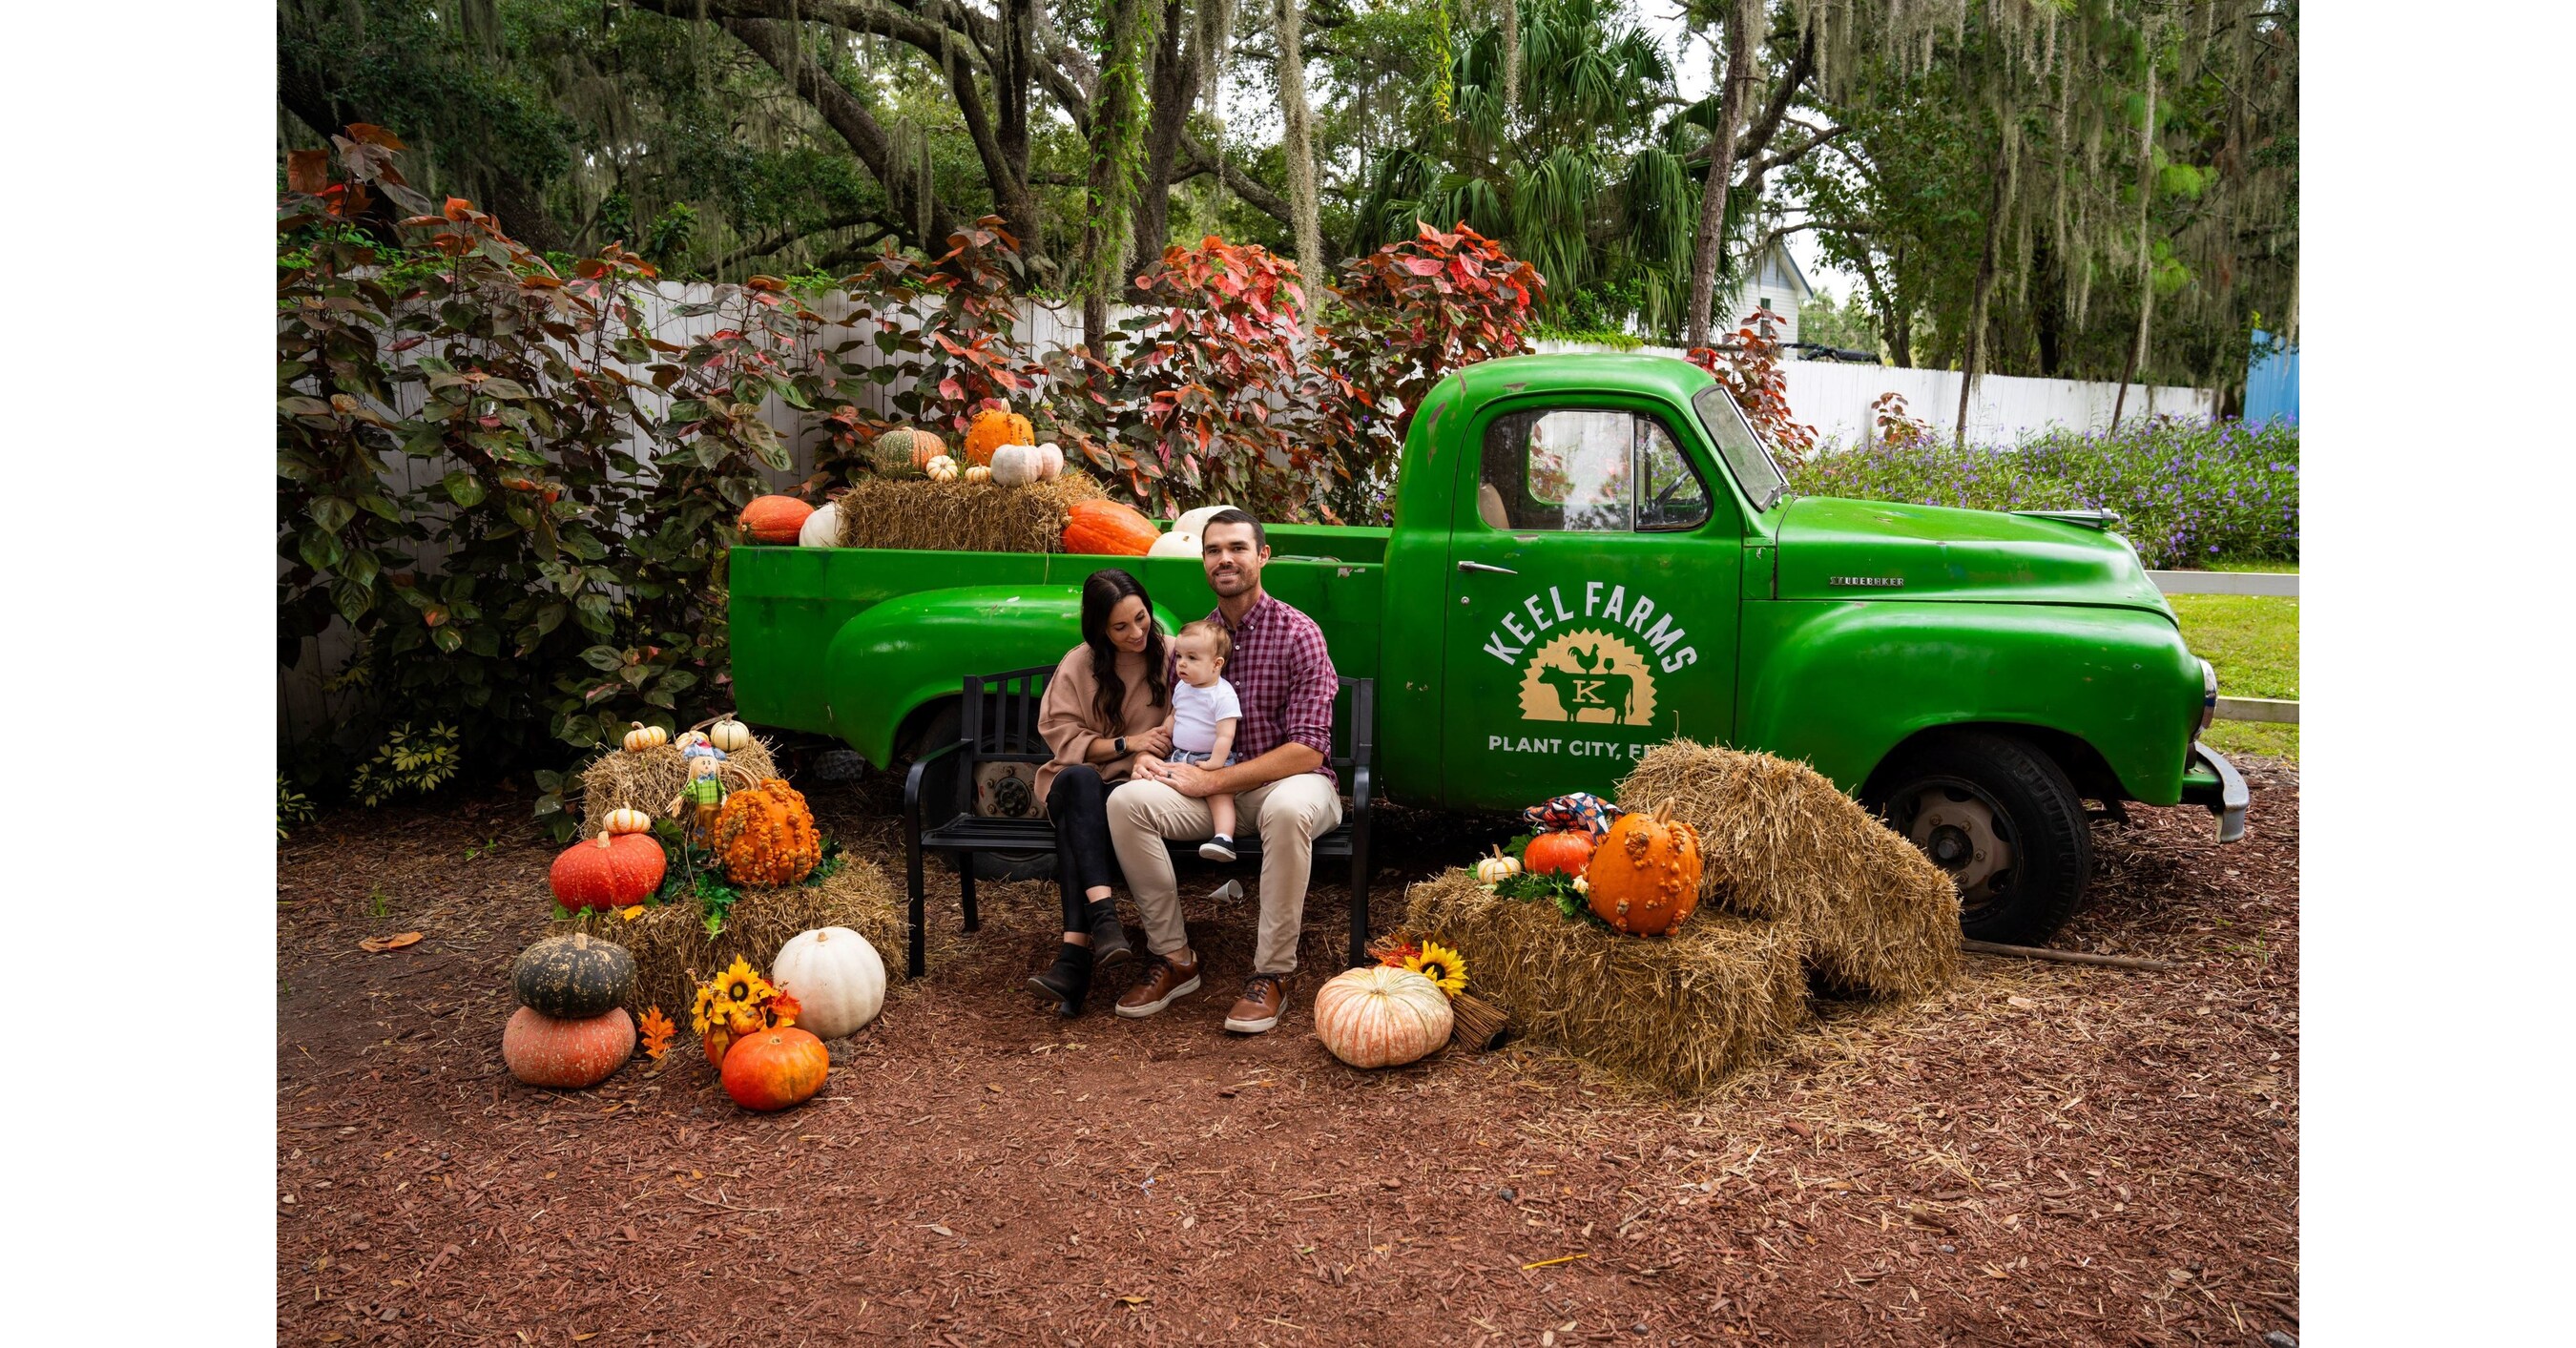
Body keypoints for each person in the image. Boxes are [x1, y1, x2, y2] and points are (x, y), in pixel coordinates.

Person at [1108, 508, 1341, 1034]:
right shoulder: (1193, 642)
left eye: (1237, 548)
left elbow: (1307, 750)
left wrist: (1215, 781)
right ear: (1204, 561)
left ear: (1262, 556)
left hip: (1290, 785)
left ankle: (1273, 973)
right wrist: (1150, 754)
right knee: (1125, 802)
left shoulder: (1298, 634)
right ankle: (1173, 958)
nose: (1224, 559)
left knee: (1285, 809)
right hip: (1208, 788)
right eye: (1214, 550)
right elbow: (1178, 719)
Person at [1027, 569, 1175, 1016]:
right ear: (1099, 629)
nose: (1136, 632)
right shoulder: (1080, 663)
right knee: (1080, 782)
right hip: (1079, 780)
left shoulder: (1170, 655)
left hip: (1136, 784)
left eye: (1141, 618)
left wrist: (1163, 735)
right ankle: (1105, 920)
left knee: (1080, 819)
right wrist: (1127, 743)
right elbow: (1061, 736)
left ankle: (1075, 957)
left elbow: (1192, 707)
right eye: (1120, 626)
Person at [1166, 619, 1243, 862]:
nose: (1181, 664)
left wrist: (1215, 764)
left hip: (1209, 759)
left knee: (1218, 795)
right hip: (1179, 756)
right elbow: (1176, 715)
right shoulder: (1182, 687)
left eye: (1192, 658)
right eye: (1179, 656)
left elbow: (1226, 735)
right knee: (1158, 781)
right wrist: (1163, 730)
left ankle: (1223, 838)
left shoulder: (1222, 694)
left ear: (1217, 664)